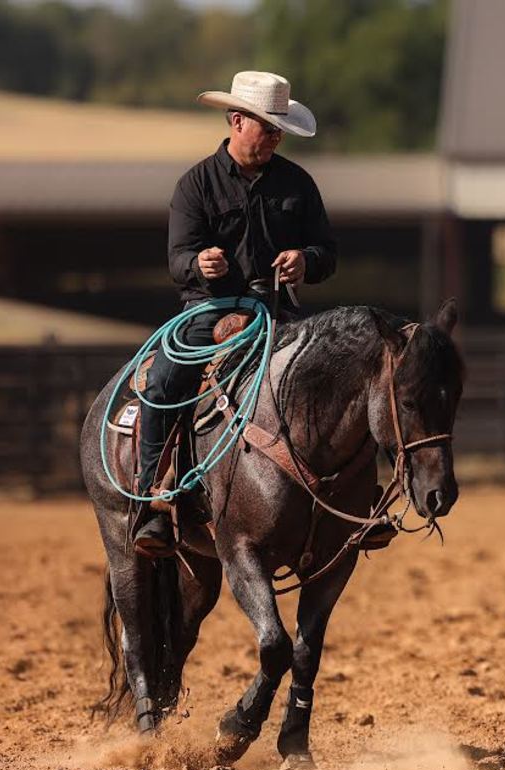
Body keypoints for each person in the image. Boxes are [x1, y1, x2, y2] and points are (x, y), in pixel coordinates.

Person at [133, 70, 337, 556]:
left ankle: (352, 496)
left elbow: (327, 252)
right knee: (164, 382)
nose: (273, 137)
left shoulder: (298, 184)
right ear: (236, 121)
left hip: (277, 313)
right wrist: (200, 264)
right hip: (209, 311)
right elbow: (177, 260)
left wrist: (306, 260)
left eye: (278, 129)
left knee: (338, 376)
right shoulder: (195, 186)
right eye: (266, 126)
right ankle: (153, 501)